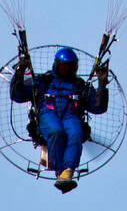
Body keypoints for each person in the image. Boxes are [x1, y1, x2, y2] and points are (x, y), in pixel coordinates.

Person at [10, 47, 109, 192]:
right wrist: (20, 70)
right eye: (64, 66)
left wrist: (102, 83)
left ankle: (67, 172)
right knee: (57, 131)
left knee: (75, 133)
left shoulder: (79, 86)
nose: (67, 70)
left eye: (70, 67)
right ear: (57, 65)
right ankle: (60, 170)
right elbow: (17, 95)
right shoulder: (43, 81)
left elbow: (98, 106)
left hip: (71, 115)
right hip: (48, 114)